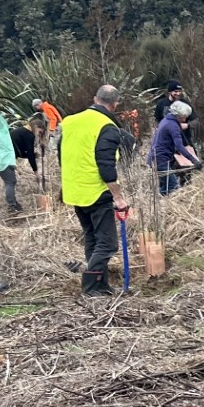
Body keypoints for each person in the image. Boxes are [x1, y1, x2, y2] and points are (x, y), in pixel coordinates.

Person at [61, 85, 131, 299]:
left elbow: (61, 154)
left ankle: (99, 284)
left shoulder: (70, 121)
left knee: (92, 237)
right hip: (95, 191)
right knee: (108, 243)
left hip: (74, 190)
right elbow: (106, 166)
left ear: (95, 98)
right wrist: (118, 197)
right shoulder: (107, 126)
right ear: (115, 104)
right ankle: (91, 286)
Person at [151, 99, 198, 194]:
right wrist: (194, 161)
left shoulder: (166, 120)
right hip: (161, 158)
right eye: (184, 117)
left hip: (158, 157)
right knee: (173, 186)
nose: (185, 120)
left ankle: (159, 201)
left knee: (166, 186)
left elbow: (181, 140)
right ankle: (161, 204)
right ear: (179, 115)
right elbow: (179, 146)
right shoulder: (172, 125)